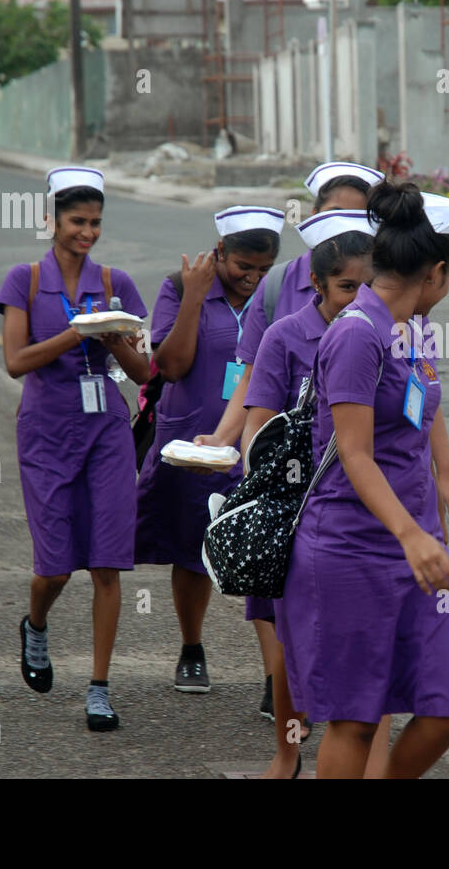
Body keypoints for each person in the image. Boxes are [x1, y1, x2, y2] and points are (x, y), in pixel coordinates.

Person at [276, 181, 449, 778]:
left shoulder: (409, 327)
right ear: (434, 271)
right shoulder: (357, 333)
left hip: (412, 546)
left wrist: (445, 479)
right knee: (355, 718)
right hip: (351, 546)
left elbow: (423, 409)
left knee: (445, 706)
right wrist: (413, 535)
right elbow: (356, 455)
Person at [193, 162, 381, 722]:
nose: (356, 295)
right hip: (294, 491)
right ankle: (286, 715)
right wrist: (236, 450)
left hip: (356, 492)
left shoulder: (385, 315)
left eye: (358, 215)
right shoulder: (281, 302)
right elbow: (253, 391)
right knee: (280, 606)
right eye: (334, 212)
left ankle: (343, 711)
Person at [0, 166, 150, 732]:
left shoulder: (116, 283)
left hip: (106, 427)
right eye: (77, 221)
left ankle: (100, 688)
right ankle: (36, 625)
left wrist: (113, 340)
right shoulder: (25, 280)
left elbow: (142, 371)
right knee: (55, 566)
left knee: (107, 562)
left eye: (95, 223)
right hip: (46, 428)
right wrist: (74, 333)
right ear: (51, 220)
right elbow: (15, 363)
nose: (87, 232)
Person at [240, 210, 375, 777]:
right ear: (316, 284)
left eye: (366, 286)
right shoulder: (285, 335)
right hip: (294, 514)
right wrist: (266, 483)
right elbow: (256, 426)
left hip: (357, 509)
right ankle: (287, 754)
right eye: (346, 287)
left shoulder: (380, 333)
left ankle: (364, 761)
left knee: (368, 648)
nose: (356, 297)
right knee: (289, 656)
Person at [134, 206, 282, 693]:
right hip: (193, 441)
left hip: (255, 440)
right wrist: (195, 298)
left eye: (264, 269)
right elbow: (171, 366)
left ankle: (273, 679)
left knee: (263, 556)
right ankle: (192, 648)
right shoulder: (179, 286)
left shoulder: (277, 296)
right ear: (220, 253)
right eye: (244, 267)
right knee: (189, 550)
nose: (253, 278)